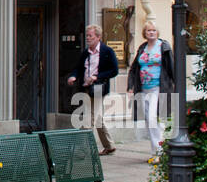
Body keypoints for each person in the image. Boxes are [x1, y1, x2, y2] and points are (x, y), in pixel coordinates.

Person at [67, 24, 118, 155]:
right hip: (87, 88)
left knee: (88, 119)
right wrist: (73, 76)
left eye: (90, 36)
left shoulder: (107, 51)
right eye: (87, 35)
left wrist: (96, 77)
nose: (88, 38)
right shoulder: (86, 52)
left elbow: (114, 70)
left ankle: (84, 150)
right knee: (98, 118)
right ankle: (109, 145)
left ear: (98, 37)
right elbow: (78, 68)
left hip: (99, 88)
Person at [126, 21, 174, 157]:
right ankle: (156, 150)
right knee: (149, 119)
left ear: (157, 32)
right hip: (143, 88)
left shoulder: (163, 47)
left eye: (153, 30)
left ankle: (160, 151)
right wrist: (130, 86)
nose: (151, 32)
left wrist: (175, 84)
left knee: (154, 118)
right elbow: (134, 68)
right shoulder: (142, 48)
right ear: (144, 33)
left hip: (159, 87)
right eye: (148, 31)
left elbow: (171, 66)